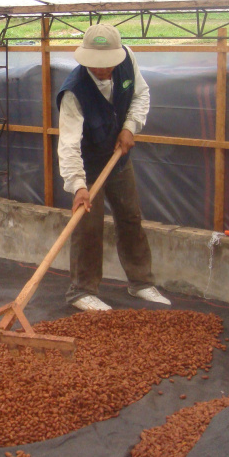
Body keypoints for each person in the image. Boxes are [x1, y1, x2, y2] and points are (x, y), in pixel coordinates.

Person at [56, 23, 170, 311]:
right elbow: (68, 145)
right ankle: (81, 291)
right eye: (97, 65)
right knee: (88, 226)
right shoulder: (74, 92)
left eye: (107, 64)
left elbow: (141, 95)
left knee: (130, 217)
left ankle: (141, 282)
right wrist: (79, 186)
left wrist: (130, 127)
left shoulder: (127, 61)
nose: (103, 70)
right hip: (89, 164)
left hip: (118, 158)